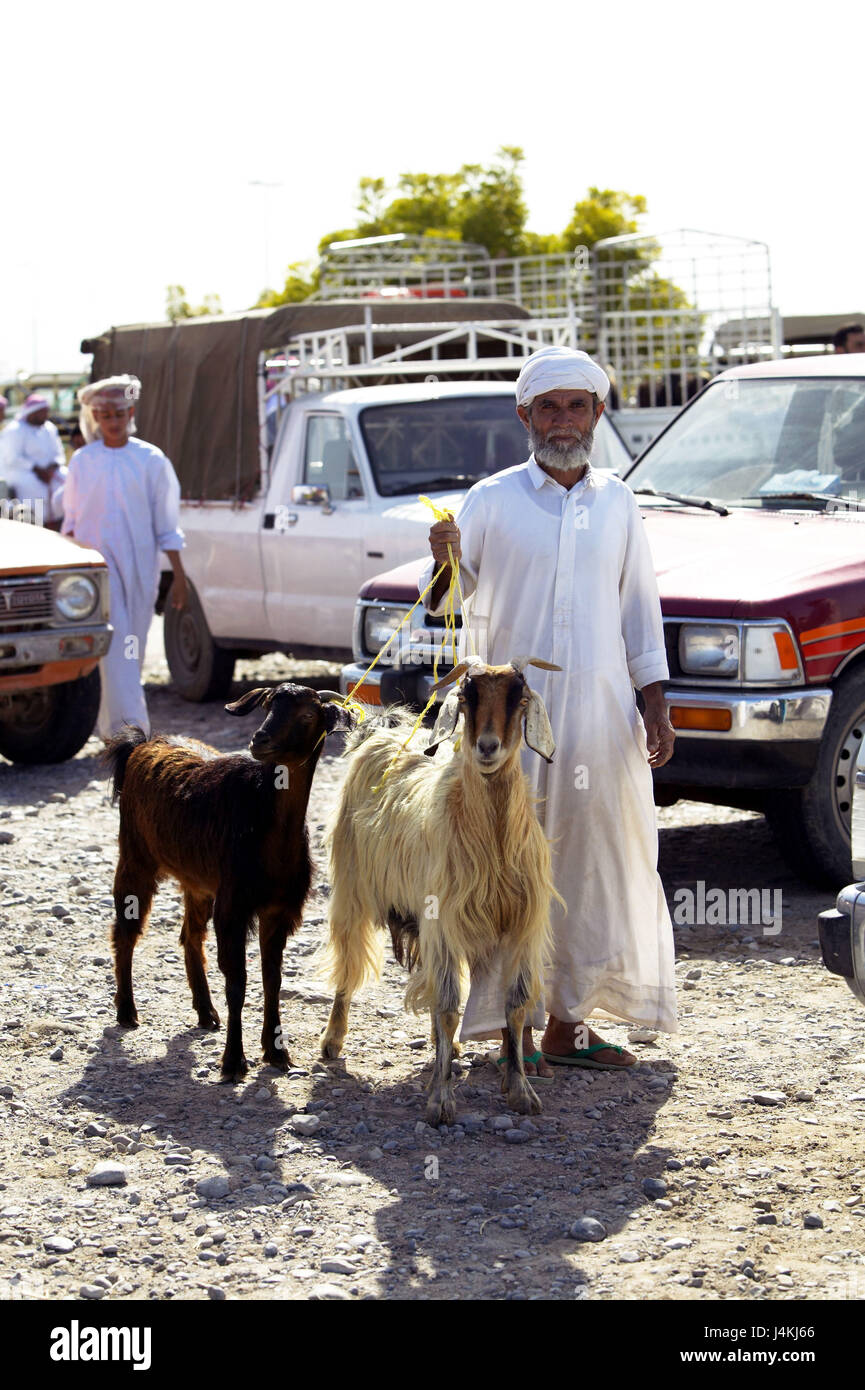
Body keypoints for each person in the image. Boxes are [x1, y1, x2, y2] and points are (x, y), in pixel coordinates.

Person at [420, 345, 678, 1077]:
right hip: (507, 718)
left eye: (576, 405)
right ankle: (512, 1027)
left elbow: (639, 609)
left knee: (592, 860)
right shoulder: (491, 498)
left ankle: (568, 1022)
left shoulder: (619, 501)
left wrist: (653, 702)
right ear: (523, 415)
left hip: (598, 714)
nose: (562, 419)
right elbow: (446, 602)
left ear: (597, 414)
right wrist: (439, 558)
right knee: (504, 861)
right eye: (548, 406)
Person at [61, 375, 188, 739]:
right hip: (95, 569)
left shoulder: (150, 459)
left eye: (117, 413)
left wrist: (179, 577)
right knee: (115, 643)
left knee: (132, 646)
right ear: (95, 417)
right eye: (102, 415)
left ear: (129, 412)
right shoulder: (83, 461)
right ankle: (131, 733)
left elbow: (167, 522)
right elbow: (71, 522)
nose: (111, 422)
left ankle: (112, 731)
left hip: (140, 568)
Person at [0, 393, 67, 526]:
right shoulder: (15, 430)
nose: (45, 416)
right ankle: (36, 524)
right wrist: (36, 469)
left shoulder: (49, 428)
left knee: (66, 477)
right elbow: (12, 458)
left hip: (50, 472)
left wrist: (51, 468)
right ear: (33, 413)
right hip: (22, 472)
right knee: (31, 485)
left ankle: (61, 521)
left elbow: (58, 453)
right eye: (42, 413)